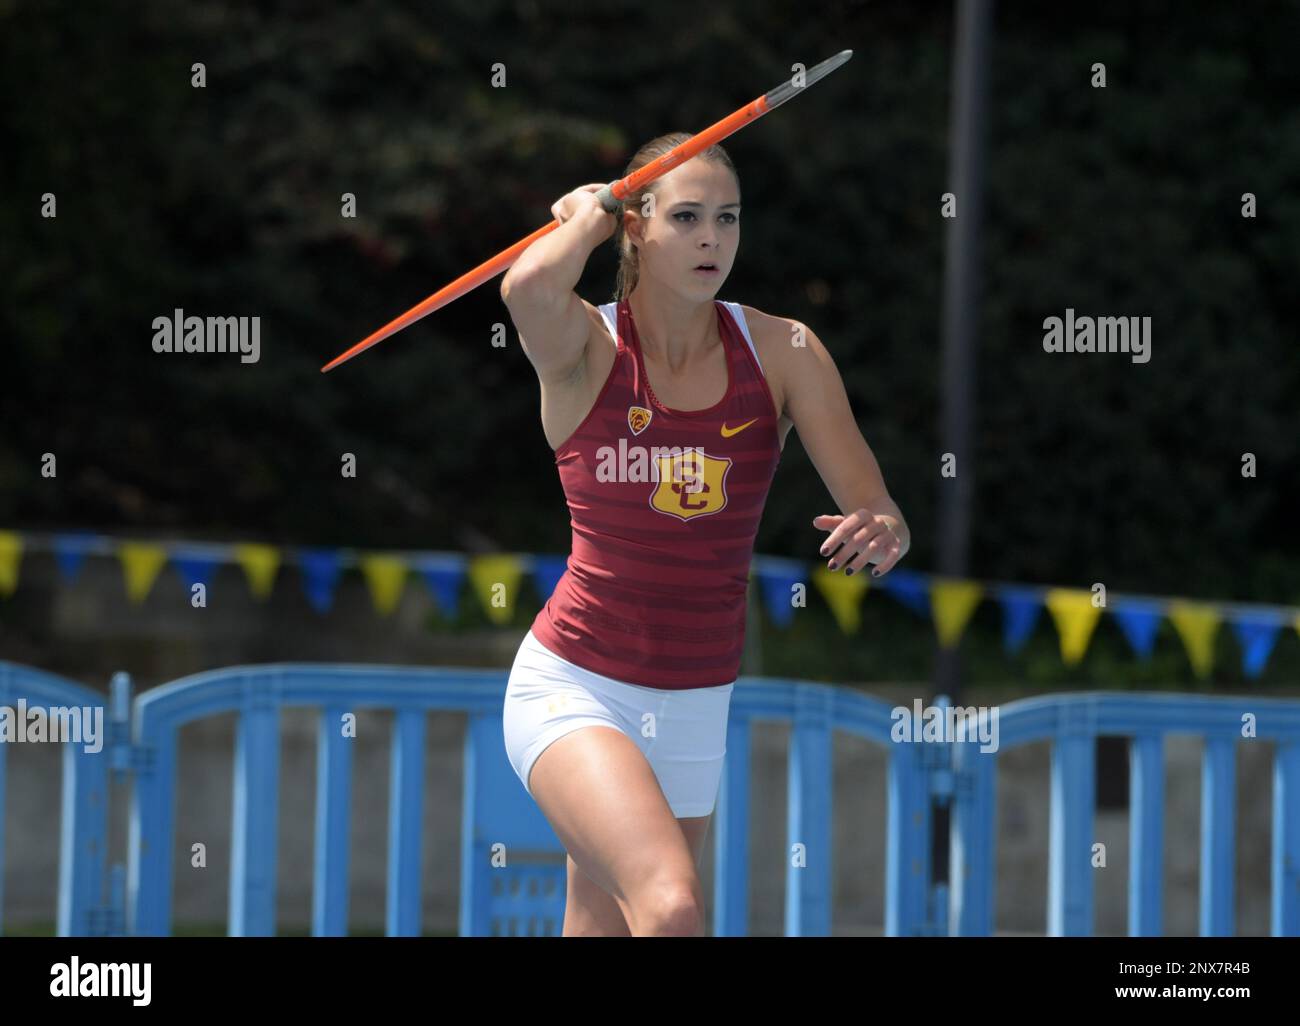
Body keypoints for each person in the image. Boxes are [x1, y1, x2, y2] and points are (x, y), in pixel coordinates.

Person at [499, 133, 910, 936]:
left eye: (727, 218)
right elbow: (526, 287)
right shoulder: (588, 345)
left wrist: (883, 525)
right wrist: (586, 217)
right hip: (576, 682)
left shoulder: (785, 350)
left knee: (611, 922)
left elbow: (874, 499)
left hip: (695, 695)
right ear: (637, 229)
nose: (712, 239)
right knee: (672, 906)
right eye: (685, 217)